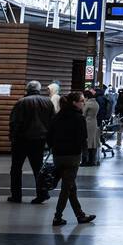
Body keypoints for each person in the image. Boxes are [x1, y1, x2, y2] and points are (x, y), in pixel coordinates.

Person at [47, 91, 95, 227]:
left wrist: (54, 147)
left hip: (58, 155)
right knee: (66, 188)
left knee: (71, 186)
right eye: (81, 101)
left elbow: (49, 136)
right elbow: (83, 137)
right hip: (72, 156)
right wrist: (84, 154)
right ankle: (57, 217)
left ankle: (80, 215)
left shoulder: (57, 117)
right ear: (74, 103)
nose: (83, 103)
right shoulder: (79, 118)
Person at [8, 81, 54, 205]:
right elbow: (52, 122)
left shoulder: (21, 102)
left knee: (16, 168)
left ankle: (16, 195)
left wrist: (12, 137)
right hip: (40, 140)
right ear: (39, 89)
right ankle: (42, 193)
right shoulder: (48, 102)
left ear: (27, 89)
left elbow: (15, 122)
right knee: (38, 168)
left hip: (21, 140)